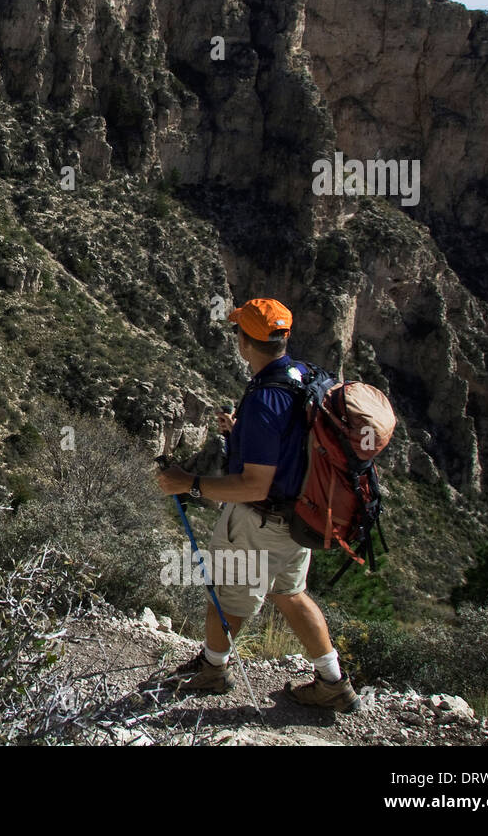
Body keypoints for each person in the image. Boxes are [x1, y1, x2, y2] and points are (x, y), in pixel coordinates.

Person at [153, 297, 360, 713]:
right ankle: (333, 682)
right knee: (291, 594)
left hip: (261, 522)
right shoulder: (305, 375)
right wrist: (239, 432)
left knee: (227, 599)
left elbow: (253, 486)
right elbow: (292, 444)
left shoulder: (267, 397)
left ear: (245, 342)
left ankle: (213, 670)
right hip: (300, 516)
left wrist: (189, 483)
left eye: (238, 333)